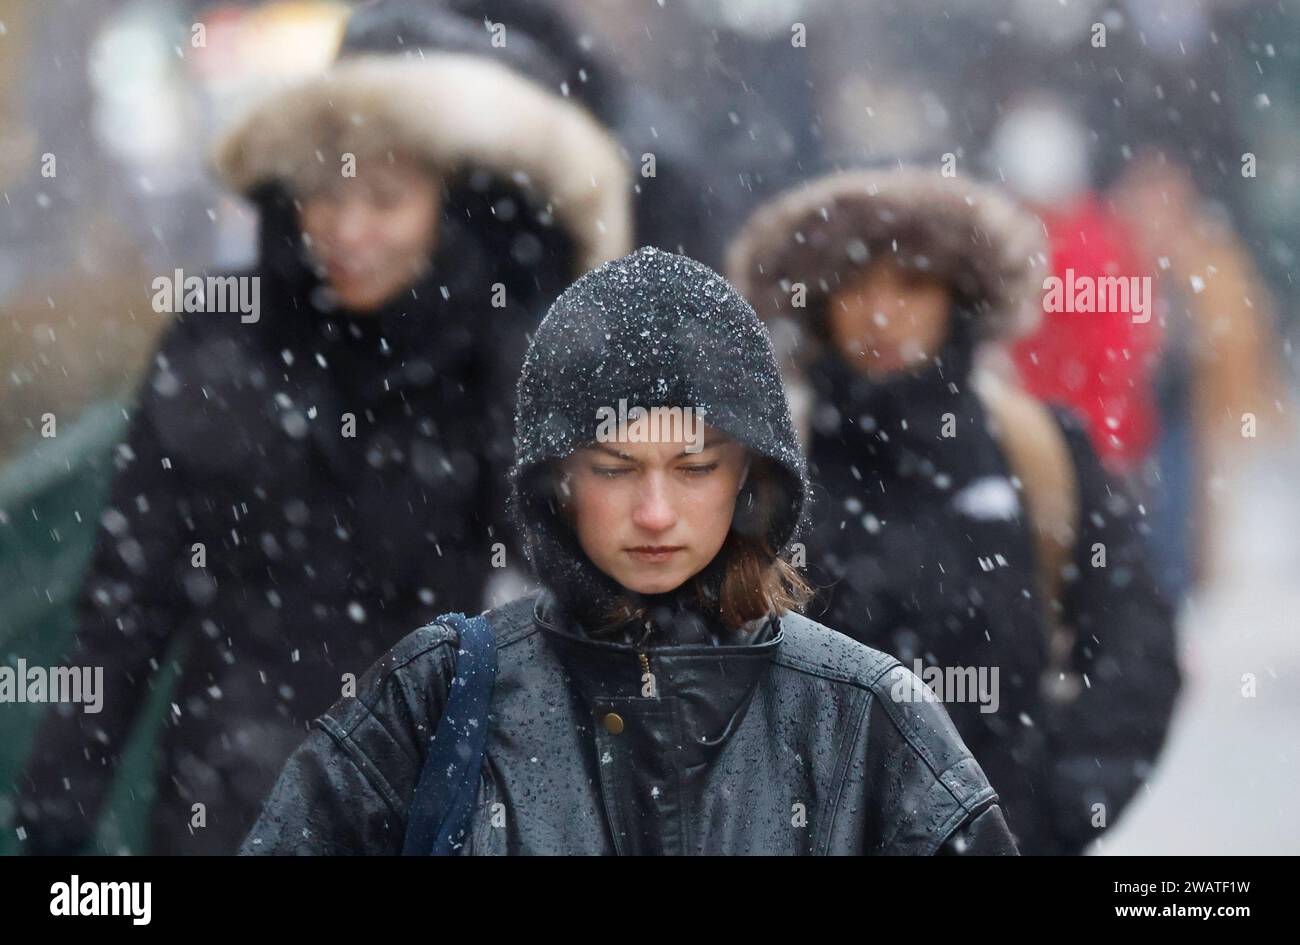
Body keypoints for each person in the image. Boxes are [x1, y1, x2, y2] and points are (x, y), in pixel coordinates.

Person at [13, 6, 631, 854]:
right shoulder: (219, 345)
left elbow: (579, 607)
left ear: (455, 207)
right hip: (232, 802)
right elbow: (129, 600)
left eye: (385, 198)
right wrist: (55, 820)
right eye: (324, 193)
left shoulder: (512, 369)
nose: (347, 230)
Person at [239, 246, 1018, 856]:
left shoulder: (862, 714)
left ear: (749, 476)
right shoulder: (437, 695)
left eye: (694, 467)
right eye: (614, 468)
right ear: (558, 481)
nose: (654, 513)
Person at [726, 168, 1182, 854]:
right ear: (820, 302)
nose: (881, 312)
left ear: (960, 298)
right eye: (855, 284)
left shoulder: (1041, 455)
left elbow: (1134, 647)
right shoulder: (763, 472)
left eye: (911, 285)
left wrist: (1048, 816)